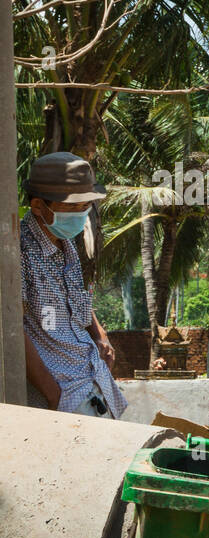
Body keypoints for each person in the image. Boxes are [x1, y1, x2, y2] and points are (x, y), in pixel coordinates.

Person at [21, 152, 128, 418]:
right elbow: (12, 330)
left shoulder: (66, 245)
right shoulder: (19, 251)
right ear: (38, 206)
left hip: (94, 382)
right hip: (64, 399)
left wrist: (99, 335)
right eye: (72, 207)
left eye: (85, 207)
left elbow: (76, 300)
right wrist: (54, 396)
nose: (82, 215)